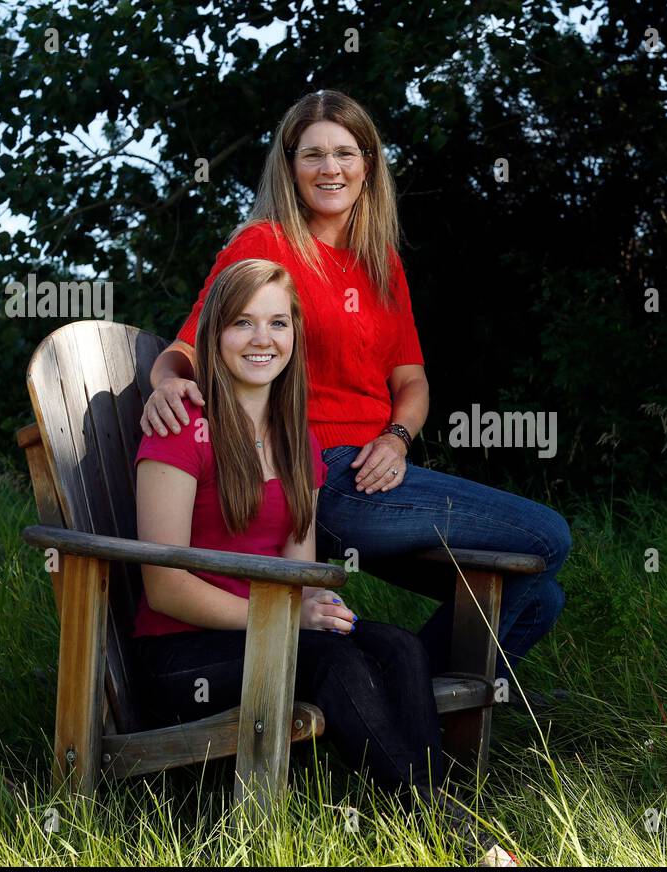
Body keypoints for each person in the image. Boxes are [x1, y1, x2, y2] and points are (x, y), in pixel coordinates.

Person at [138, 90, 571, 701]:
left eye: (345, 153)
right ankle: (387, 705)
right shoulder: (265, 244)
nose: (330, 169)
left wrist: (397, 439)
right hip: (317, 475)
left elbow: (411, 382)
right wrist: (165, 384)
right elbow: (190, 344)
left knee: (535, 593)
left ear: (368, 163)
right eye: (312, 154)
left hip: (380, 474)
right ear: (289, 166)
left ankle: (390, 702)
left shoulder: (380, 262)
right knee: (550, 535)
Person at [132, 257, 516, 865]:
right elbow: (164, 587)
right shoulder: (180, 430)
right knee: (333, 662)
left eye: (278, 323)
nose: (263, 340)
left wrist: (318, 605)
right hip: (181, 657)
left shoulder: (296, 438)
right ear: (213, 336)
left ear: (294, 337)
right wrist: (289, 618)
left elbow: (300, 571)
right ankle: (450, 835)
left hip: (266, 634)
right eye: (242, 323)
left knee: (397, 646)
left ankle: (424, 822)